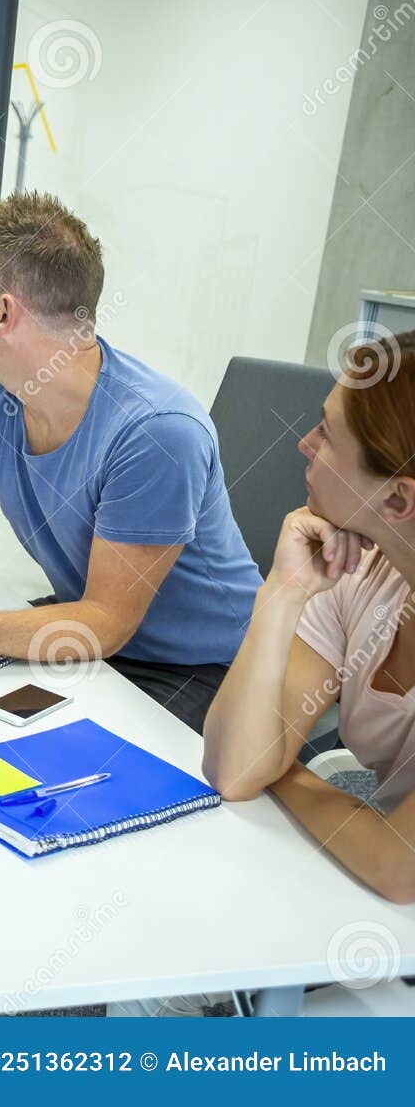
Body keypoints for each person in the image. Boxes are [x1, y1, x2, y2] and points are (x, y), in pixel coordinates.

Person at [0, 192, 262, 731]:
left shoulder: (157, 431)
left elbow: (107, 622)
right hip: (94, 636)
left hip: (206, 670)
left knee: (34, 755)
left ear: (5, 312)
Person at [203, 331, 415, 904]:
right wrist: (284, 589)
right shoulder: (371, 569)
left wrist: (288, 772)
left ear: (398, 501)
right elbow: (234, 771)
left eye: (326, 434)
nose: (304, 443)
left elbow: (399, 868)